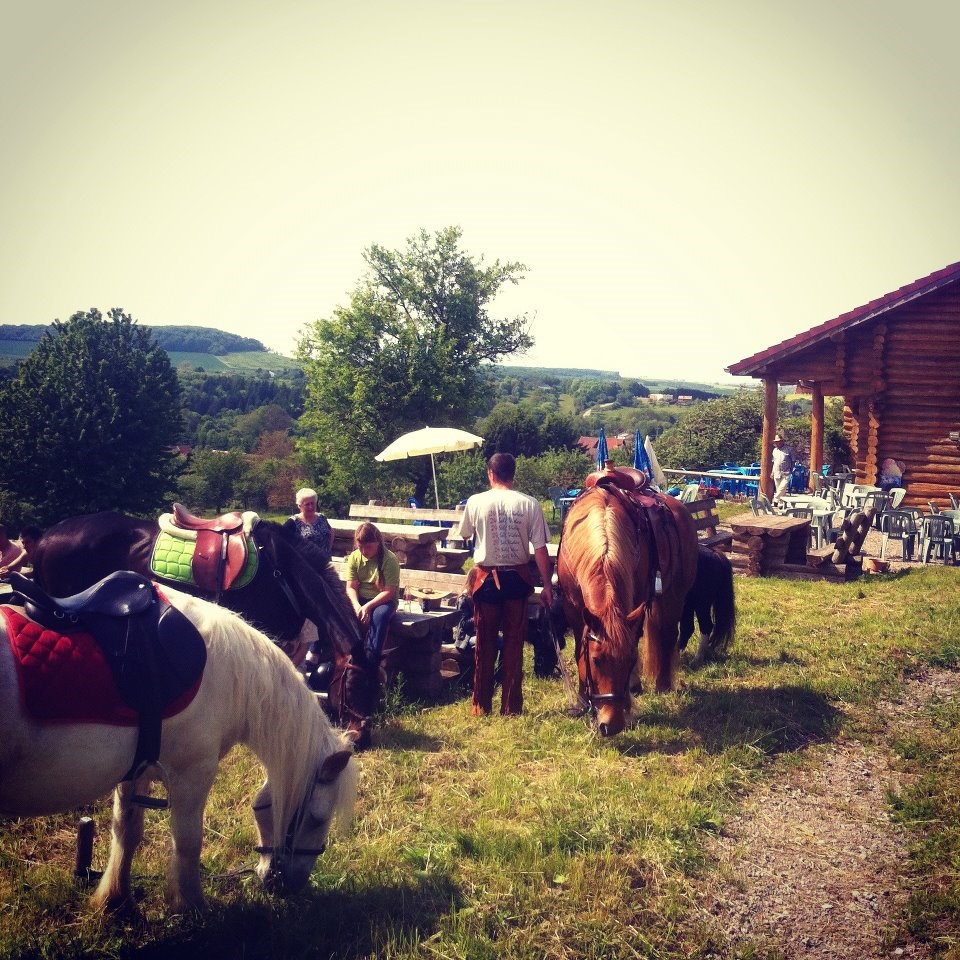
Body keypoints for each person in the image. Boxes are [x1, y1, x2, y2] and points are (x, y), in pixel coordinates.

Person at [455, 452, 554, 717]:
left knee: (484, 644)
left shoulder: (476, 502)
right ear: (513, 474)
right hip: (517, 580)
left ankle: (481, 705)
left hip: (486, 580)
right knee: (513, 645)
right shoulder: (530, 504)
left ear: (490, 473)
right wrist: (547, 586)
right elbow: (541, 549)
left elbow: (464, 535)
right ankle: (511, 707)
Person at [283, 487, 335, 669]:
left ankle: (317, 649)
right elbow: (283, 545)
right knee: (311, 608)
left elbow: (330, 533)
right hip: (302, 575)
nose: (311, 506)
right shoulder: (292, 523)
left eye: (313, 503)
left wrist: (326, 554)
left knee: (326, 606)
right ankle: (310, 650)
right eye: (307, 504)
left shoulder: (322, 518)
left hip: (322, 570)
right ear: (299, 505)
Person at [345, 522, 400, 672]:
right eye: (360, 546)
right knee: (341, 611)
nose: (364, 551)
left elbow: (389, 592)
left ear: (377, 542)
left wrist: (368, 607)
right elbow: (351, 587)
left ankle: (372, 659)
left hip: (384, 600)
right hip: (361, 599)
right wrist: (357, 605)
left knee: (379, 617)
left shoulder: (389, 560)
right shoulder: (355, 557)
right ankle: (345, 654)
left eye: (368, 547)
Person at [771, 434, 794, 504]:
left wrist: (791, 469)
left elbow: (793, 460)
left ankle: (775, 499)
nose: (778, 443)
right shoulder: (774, 450)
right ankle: (781, 504)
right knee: (779, 489)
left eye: (779, 441)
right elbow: (774, 462)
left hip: (786, 472)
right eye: (776, 442)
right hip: (776, 472)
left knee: (782, 488)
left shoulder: (789, 449)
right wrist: (772, 472)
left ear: (782, 441)